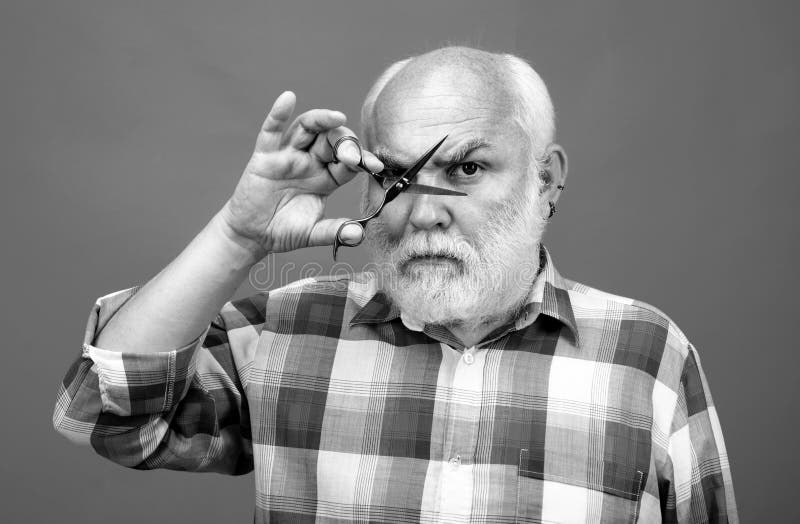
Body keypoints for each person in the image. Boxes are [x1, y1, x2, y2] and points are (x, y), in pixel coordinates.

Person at [53, 46, 737, 523]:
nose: (421, 211)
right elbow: (106, 413)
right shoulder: (289, 333)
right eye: (395, 176)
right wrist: (239, 237)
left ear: (547, 179)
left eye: (467, 169)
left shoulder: (647, 356)